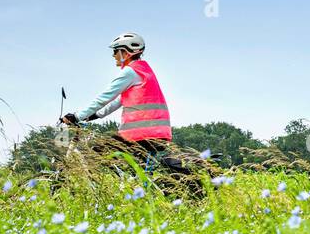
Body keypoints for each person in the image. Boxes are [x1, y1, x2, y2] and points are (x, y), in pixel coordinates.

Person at [62, 32, 208, 195]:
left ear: (126, 52)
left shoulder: (130, 73)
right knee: (128, 164)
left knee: (97, 150)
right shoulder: (144, 71)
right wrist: (93, 116)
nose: (113, 55)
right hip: (156, 133)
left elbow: (105, 97)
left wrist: (77, 116)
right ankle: (133, 187)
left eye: (116, 51)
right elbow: (118, 101)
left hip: (142, 134)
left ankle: (107, 194)